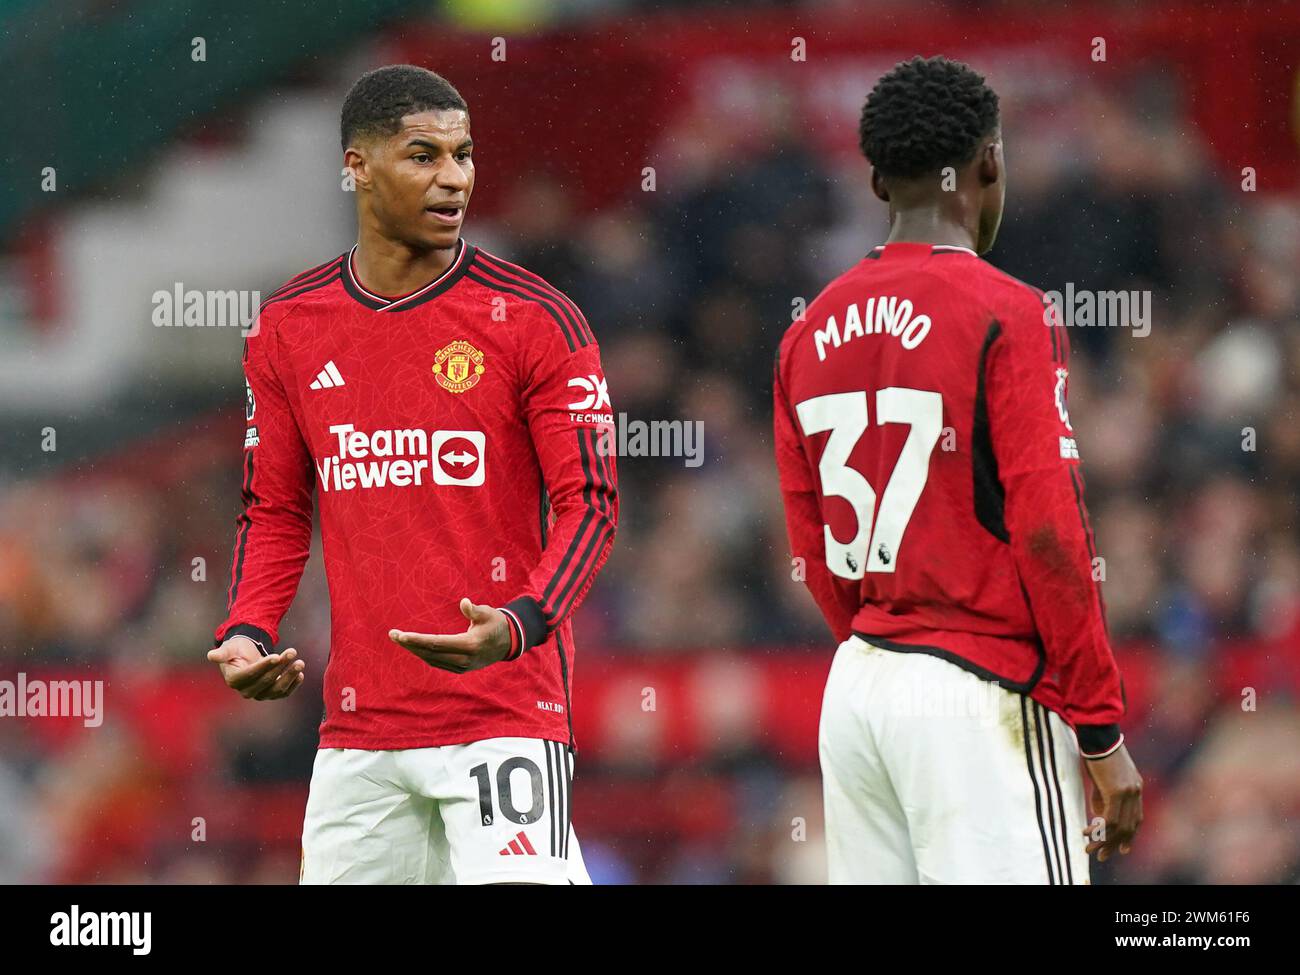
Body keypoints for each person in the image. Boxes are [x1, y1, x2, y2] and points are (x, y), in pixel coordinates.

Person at [208, 64, 618, 885]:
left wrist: (520, 622)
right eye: (423, 155)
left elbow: (592, 504)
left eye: (463, 155)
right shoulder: (289, 328)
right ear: (356, 165)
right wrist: (249, 627)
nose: (454, 178)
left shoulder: (535, 317)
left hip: (506, 715)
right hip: (360, 733)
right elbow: (276, 507)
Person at [773, 55, 1141, 884]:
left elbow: (808, 542)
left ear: (875, 183)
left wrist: (888, 640)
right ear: (990, 162)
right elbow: (1050, 532)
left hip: (860, 692)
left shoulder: (806, 331)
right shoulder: (1008, 311)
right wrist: (1100, 730)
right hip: (977, 690)